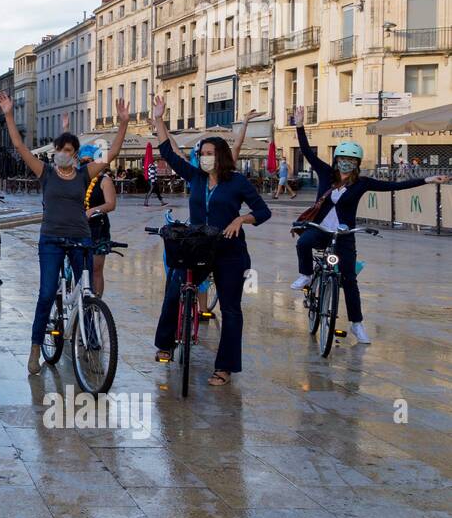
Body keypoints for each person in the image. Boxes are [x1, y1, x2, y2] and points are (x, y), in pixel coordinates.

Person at [289, 106, 447, 344]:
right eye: (342, 159)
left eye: (351, 161)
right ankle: (306, 275)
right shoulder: (325, 174)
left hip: (344, 235)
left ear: (357, 163)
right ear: (336, 160)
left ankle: (357, 324)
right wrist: (300, 126)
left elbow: (394, 187)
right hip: (320, 229)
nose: (345, 164)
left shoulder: (362, 183)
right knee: (303, 242)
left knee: (350, 281)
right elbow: (307, 153)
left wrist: (427, 179)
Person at [0, 93, 129, 376]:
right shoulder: (46, 172)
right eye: (61, 149)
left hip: (81, 239)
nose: (64, 153)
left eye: (69, 150)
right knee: (47, 293)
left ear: (75, 153)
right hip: (51, 241)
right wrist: (9, 115)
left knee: (86, 290)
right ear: (56, 151)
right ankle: (36, 348)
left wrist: (122, 124)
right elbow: (20, 146)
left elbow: (112, 154)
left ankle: (86, 330)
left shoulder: (85, 174)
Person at [150, 95, 271, 385]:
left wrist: (240, 220)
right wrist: (158, 119)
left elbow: (263, 211)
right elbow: (168, 153)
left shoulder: (237, 181)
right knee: (174, 289)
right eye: (201, 152)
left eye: (208, 153)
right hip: (197, 246)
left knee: (231, 309)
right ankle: (165, 344)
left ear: (220, 156)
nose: (204, 157)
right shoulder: (196, 177)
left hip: (230, 250)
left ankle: (225, 368)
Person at [80, 144, 117, 297]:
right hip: (78, 228)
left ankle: (96, 303)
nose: (86, 164)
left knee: (96, 269)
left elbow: (111, 204)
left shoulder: (104, 180)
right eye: (83, 162)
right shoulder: (78, 178)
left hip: (98, 228)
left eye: (89, 161)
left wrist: (92, 211)